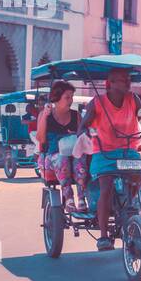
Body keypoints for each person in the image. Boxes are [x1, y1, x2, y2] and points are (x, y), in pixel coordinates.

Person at [79, 67, 141, 251]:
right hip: (104, 153)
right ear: (111, 83)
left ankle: (130, 205)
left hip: (128, 151)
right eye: (122, 80)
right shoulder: (97, 103)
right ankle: (103, 237)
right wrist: (91, 134)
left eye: (127, 80)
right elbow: (84, 127)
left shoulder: (134, 99)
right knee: (105, 188)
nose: (127, 83)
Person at [36, 80, 80, 212]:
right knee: (62, 159)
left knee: (83, 160)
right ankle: (69, 197)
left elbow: (82, 137)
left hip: (74, 155)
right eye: (67, 97)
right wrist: (45, 116)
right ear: (56, 98)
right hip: (51, 157)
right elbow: (41, 139)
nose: (70, 100)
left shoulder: (76, 116)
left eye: (72, 97)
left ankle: (83, 197)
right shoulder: (44, 116)